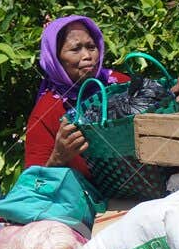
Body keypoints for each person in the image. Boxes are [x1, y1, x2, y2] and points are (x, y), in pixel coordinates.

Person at [23, 15, 126, 177]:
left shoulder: (117, 83)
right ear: (55, 59)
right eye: (75, 49)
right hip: (87, 199)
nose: (87, 56)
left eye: (91, 47)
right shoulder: (45, 113)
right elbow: (35, 184)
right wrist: (58, 157)